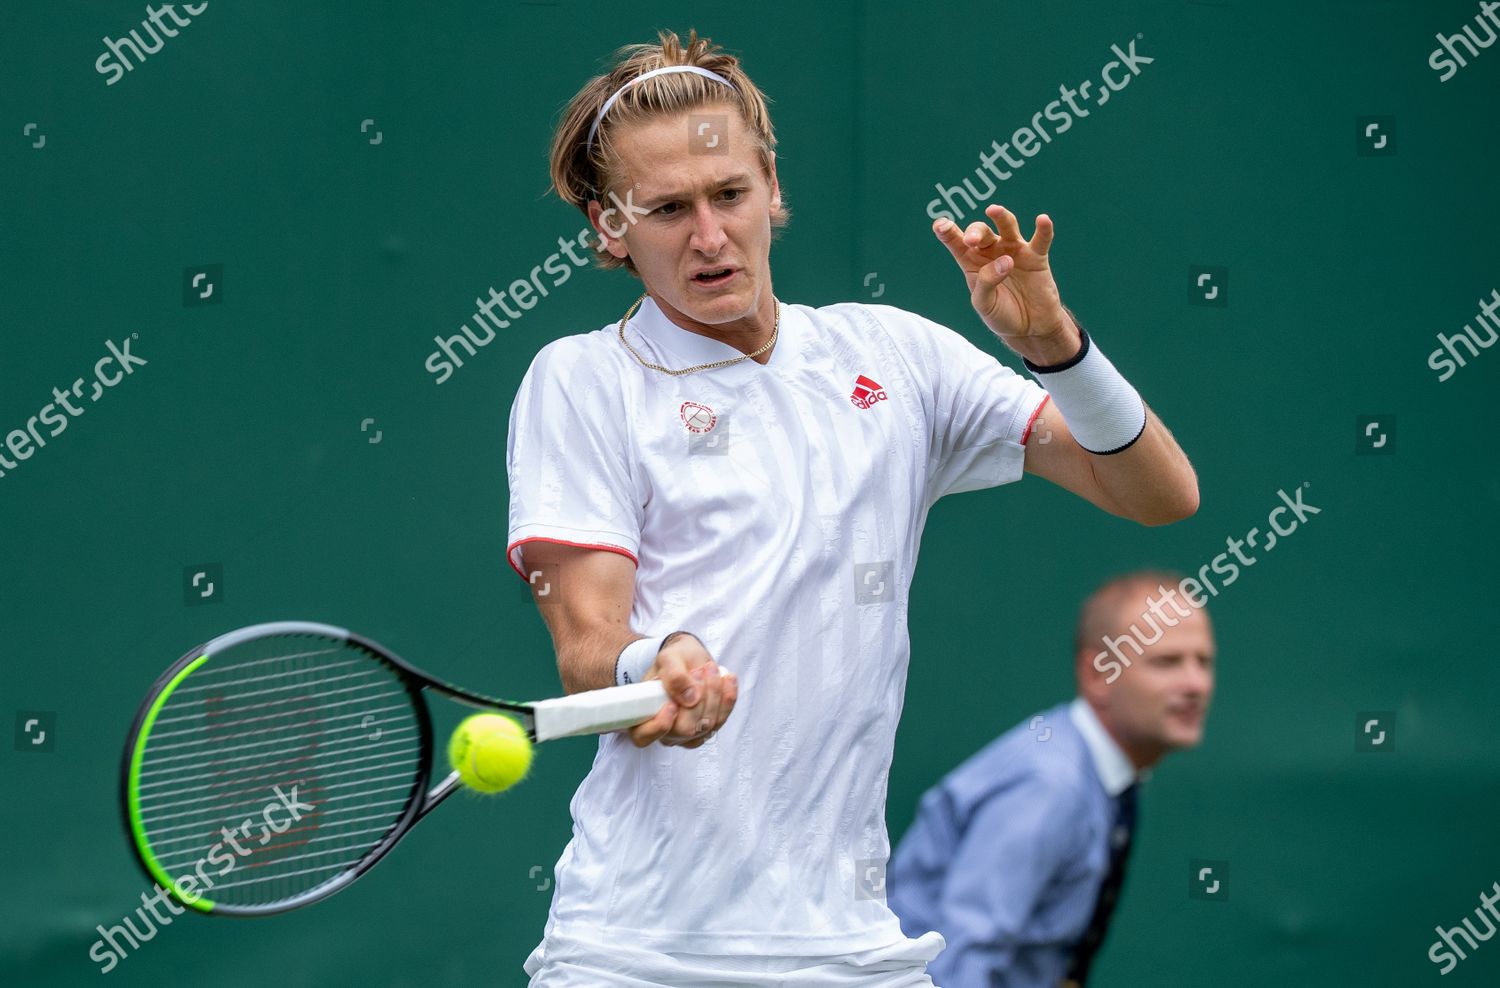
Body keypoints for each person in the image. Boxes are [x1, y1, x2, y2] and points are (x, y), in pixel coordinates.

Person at [505, 28, 1199, 987]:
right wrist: (653, 666)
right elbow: (588, 645)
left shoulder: (893, 359)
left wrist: (1058, 349)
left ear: (772, 185)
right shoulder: (581, 380)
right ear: (608, 228)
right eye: (666, 210)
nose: (709, 238)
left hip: (856, 953)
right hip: (636, 954)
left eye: (729, 196)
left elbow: (1158, 493)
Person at [887, 571, 1218, 987]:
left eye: (1203, 661)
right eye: (1167, 661)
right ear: (1099, 674)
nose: (1195, 684)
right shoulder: (1051, 787)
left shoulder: (1096, 776)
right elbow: (958, 963)